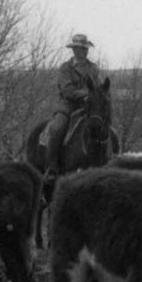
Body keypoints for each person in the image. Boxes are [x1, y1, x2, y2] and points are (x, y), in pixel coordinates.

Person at [41, 33, 105, 178]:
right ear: (75, 50)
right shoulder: (65, 68)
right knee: (58, 128)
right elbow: (67, 91)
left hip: (88, 106)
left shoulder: (93, 68)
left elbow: (99, 87)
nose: (85, 51)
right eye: (82, 48)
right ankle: (51, 167)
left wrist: (98, 94)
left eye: (86, 48)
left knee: (105, 125)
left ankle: (109, 159)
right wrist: (85, 93)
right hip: (67, 105)